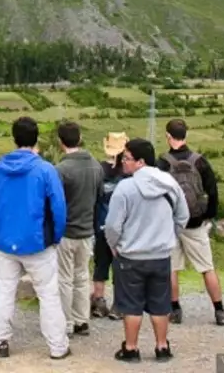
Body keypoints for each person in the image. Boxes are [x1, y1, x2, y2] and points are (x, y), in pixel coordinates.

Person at [0, 116, 70, 360]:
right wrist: (55, 237)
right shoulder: (45, 170)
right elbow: (59, 208)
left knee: (4, 291)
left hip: (5, 242)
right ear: (36, 139)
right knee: (48, 295)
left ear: (14, 138)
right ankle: (57, 347)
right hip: (38, 243)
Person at [103, 138, 189, 363]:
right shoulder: (169, 183)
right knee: (161, 304)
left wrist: (115, 245)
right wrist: (170, 235)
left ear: (140, 162)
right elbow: (183, 216)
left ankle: (131, 349)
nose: (123, 162)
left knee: (131, 305)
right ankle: (162, 347)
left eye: (127, 158)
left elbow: (112, 225)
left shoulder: (125, 187)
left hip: (130, 255)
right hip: (161, 254)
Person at [158, 118, 224, 326]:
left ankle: (175, 309)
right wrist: (208, 215)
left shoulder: (162, 163)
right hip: (195, 223)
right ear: (186, 136)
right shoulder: (199, 161)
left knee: (172, 268)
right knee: (207, 267)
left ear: (168, 136)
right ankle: (219, 311)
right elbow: (213, 192)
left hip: (172, 223)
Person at [55, 121, 103, 338]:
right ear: (80, 137)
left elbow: (54, 202)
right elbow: (100, 196)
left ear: (60, 142)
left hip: (66, 232)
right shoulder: (95, 165)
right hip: (87, 230)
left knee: (64, 279)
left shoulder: (61, 169)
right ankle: (82, 320)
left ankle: (66, 323)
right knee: (82, 276)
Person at [91, 132, 129, 319]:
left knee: (101, 264)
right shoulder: (127, 172)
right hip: (122, 228)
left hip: (100, 224)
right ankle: (119, 305)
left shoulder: (98, 169)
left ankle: (99, 301)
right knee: (120, 265)